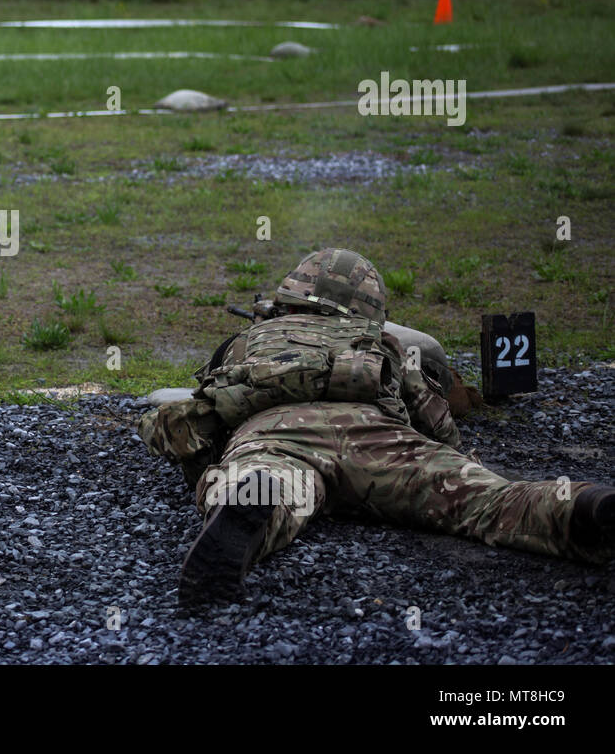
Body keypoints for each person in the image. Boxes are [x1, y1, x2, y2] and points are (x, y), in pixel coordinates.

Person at [138, 249, 615, 603]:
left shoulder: (248, 340)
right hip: (375, 437)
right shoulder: (379, 342)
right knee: (482, 500)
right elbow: (438, 425)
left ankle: (246, 508)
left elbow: (207, 412)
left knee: (267, 489)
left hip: (275, 434)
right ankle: (582, 508)